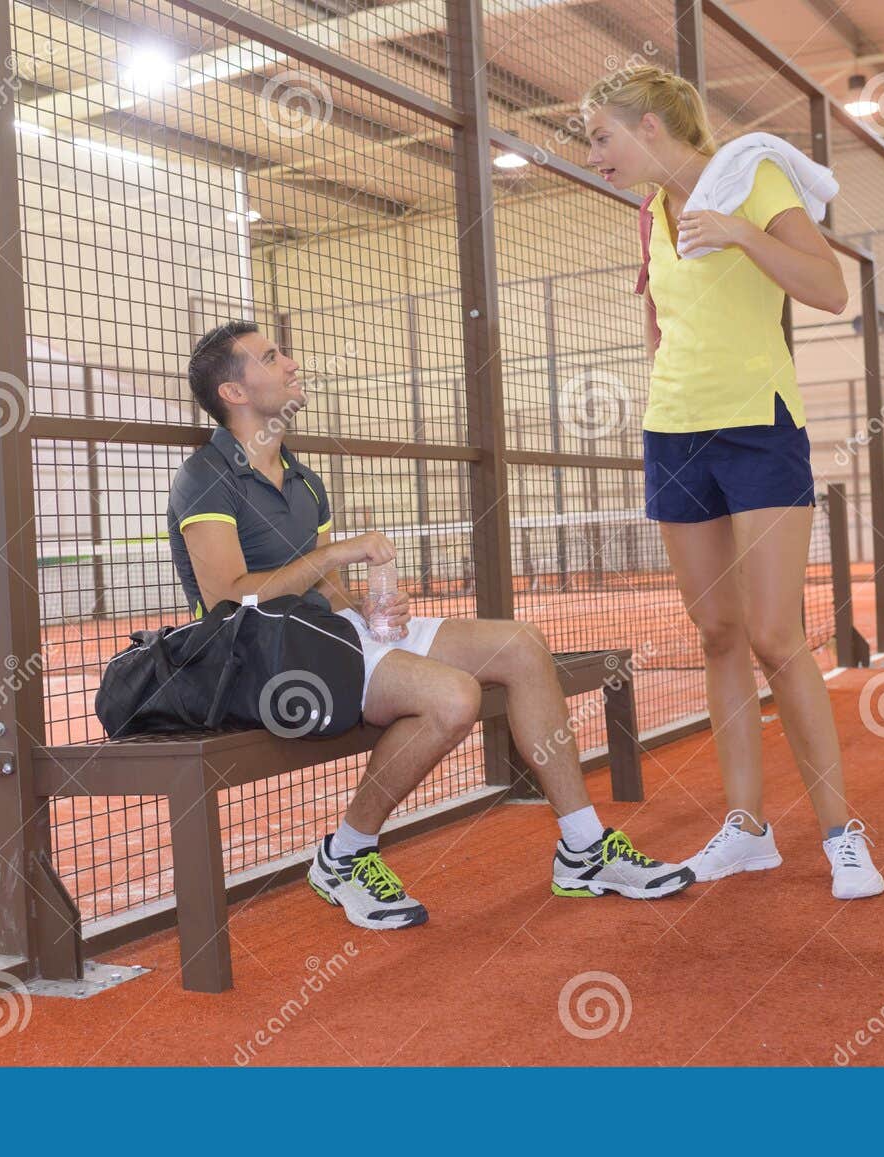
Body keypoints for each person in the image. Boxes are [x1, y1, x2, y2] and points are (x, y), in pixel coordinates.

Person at [167, 320, 694, 930]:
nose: (290, 364)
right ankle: (344, 855)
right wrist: (333, 555)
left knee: (522, 645)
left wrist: (366, 611)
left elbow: (325, 591)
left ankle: (582, 848)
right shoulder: (205, 477)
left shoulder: (301, 476)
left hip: (327, 636)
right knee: (452, 696)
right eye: (270, 356)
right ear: (234, 393)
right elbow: (226, 599)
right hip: (262, 660)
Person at [582, 66, 884, 899]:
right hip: (674, 432)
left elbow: (828, 288)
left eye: (601, 137)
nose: (593, 154)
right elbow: (660, 317)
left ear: (650, 126)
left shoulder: (751, 175)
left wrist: (745, 234)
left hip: (759, 426)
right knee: (717, 634)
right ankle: (747, 828)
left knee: (774, 635)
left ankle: (838, 833)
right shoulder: (649, 211)